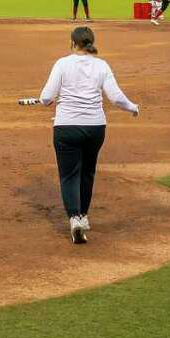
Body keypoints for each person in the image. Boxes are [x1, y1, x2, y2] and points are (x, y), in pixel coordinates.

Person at [32, 26, 139, 244]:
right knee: (87, 172)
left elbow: (47, 96)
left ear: (72, 43)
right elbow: (115, 97)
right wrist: (132, 107)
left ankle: (74, 219)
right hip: (95, 127)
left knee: (69, 175)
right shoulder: (102, 65)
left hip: (67, 127)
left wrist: (46, 101)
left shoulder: (62, 64)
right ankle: (83, 215)